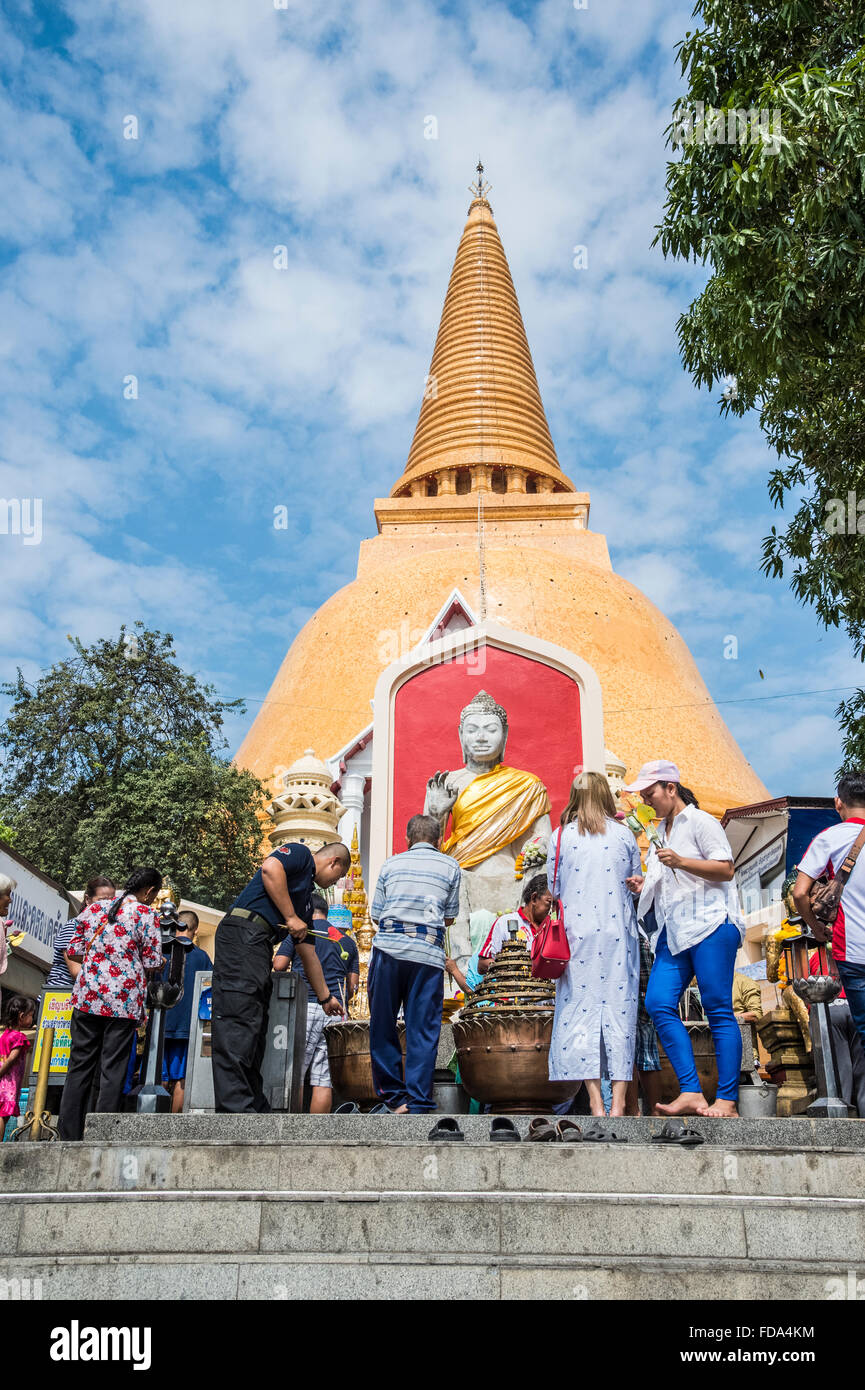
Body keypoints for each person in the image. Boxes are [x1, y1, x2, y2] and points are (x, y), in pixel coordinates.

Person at [627, 760, 744, 1119]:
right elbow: (671, 883)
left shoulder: (701, 822)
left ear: (671, 789)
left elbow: (725, 869)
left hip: (711, 924)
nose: (648, 802)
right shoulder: (661, 830)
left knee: (718, 1007)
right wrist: (646, 884)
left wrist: (680, 861)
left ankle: (726, 1099)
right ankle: (691, 1091)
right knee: (658, 1002)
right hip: (675, 932)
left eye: (651, 794)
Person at [211, 841, 349, 1113]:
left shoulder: (306, 901)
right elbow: (270, 868)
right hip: (242, 934)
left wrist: (326, 998)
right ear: (333, 861)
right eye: (339, 876)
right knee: (237, 1020)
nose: (334, 883)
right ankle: (234, 1109)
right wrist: (290, 916)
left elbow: (308, 954)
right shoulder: (300, 855)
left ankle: (252, 1101)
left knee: (254, 1025)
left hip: (259, 944)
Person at [547, 771, 641, 1118]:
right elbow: (634, 880)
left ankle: (595, 1103)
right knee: (620, 1013)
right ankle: (618, 1103)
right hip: (618, 935)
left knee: (580, 1014)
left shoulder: (560, 838)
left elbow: (554, 888)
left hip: (577, 938)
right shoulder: (624, 835)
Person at [58, 867, 164, 1141]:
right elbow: (152, 961)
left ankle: (68, 1133)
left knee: (79, 1065)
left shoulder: (93, 910)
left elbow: (73, 950)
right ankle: (100, 1133)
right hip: (123, 1003)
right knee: (112, 1068)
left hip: (88, 998)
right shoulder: (146, 914)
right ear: (149, 891)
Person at [368, 813, 461, 1113]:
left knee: (383, 1025)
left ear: (407, 839)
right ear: (439, 840)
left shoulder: (391, 864)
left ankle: (395, 1098)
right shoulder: (451, 866)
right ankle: (419, 1100)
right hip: (428, 958)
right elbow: (449, 917)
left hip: (389, 952)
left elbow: (376, 915)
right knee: (422, 1030)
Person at [793, 772, 865, 1057]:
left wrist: (816, 927)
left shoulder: (830, 838)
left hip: (854, 949)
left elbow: (800, 893)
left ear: (839, 802)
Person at [273, 893, 359, 1113]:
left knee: (296, 1073)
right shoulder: (347, 941)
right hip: (337, 1014)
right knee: (323, 1078)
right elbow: (352, 986)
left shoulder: (301, 933)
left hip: (306, 1006)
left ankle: (293, 1129)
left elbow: (279, 964)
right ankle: (317, 1130)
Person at [162, 910, 212, 1114]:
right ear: (196, 929)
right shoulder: (202, 957)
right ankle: (174, 1126)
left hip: (161, 1024)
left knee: (159, 1077)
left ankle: (151, 1126)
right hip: (188, 1026)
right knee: (183, 1079)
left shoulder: (161, 951)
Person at [44, 876, 116, 992]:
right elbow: (76, 973)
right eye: (102, 900)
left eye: (111, 901)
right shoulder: (73, 927)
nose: (107, 906)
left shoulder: (111, 930)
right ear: (88, 900)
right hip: (61, 997)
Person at [477, 874, 554, 962]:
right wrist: (510, 967)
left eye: (556, 904)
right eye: (550, 903)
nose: (553, 909)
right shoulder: (504, 922)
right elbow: (482, 963)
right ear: (534, 898)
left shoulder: (553, 929)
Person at [0, 994, 35, 1136]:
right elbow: (11, 1059)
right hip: (8, 1083)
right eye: (31, 1015)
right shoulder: (19, 1037)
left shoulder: (5, 1035)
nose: (32, 1019)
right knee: (3, 1115)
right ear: (22, 1016)